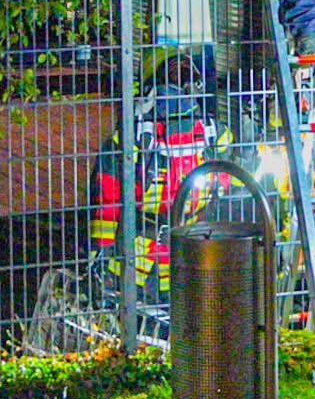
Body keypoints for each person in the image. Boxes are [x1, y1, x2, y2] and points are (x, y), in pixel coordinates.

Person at [88, 53, 231, 306]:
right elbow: (230, 191)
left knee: (131, 319)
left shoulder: (132, 136)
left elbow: (107, 199)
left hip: (140, 257)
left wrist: (100, 252)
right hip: (190, 254)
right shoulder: (215, 134)